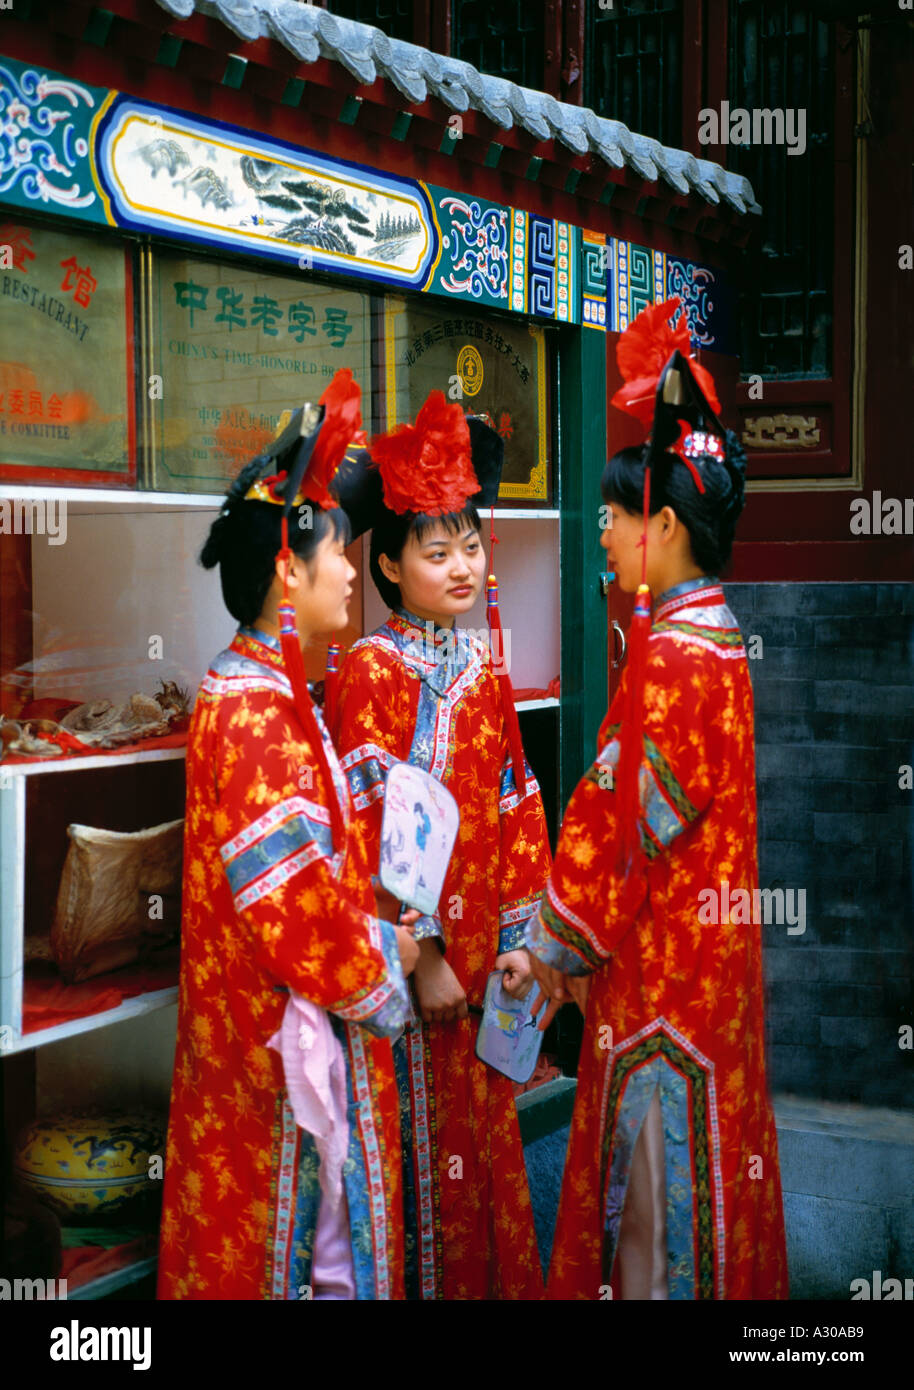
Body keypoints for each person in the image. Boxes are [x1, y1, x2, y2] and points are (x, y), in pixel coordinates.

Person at [527, 300, 789, 1300]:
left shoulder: (676, 658)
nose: (600, 528)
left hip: (661, 991)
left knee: (648, 1216)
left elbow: (617, 821)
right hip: (695, 969)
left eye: (613, 514)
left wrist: (546, 951)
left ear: (663, 525)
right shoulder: (710, 634)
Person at [157, 371, 419, 1301]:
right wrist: (389, 966)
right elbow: (297, 909)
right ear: (286, 571)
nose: (352, 571)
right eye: (338, 554)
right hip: (271, 1067)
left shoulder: (267, 692)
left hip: (267, 1048)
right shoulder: (256, 714)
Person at [329, 392, 555, 1300]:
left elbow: (519, 802)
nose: (461, 565)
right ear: (388, 562)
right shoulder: (372, 671)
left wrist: (523, 942)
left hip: (488, 962)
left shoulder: (484, 670)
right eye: (436, 550)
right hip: (417, 966)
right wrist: (421, 962)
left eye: (470, 545)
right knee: (419, 1161)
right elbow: (373, 819)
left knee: (485, 1141)